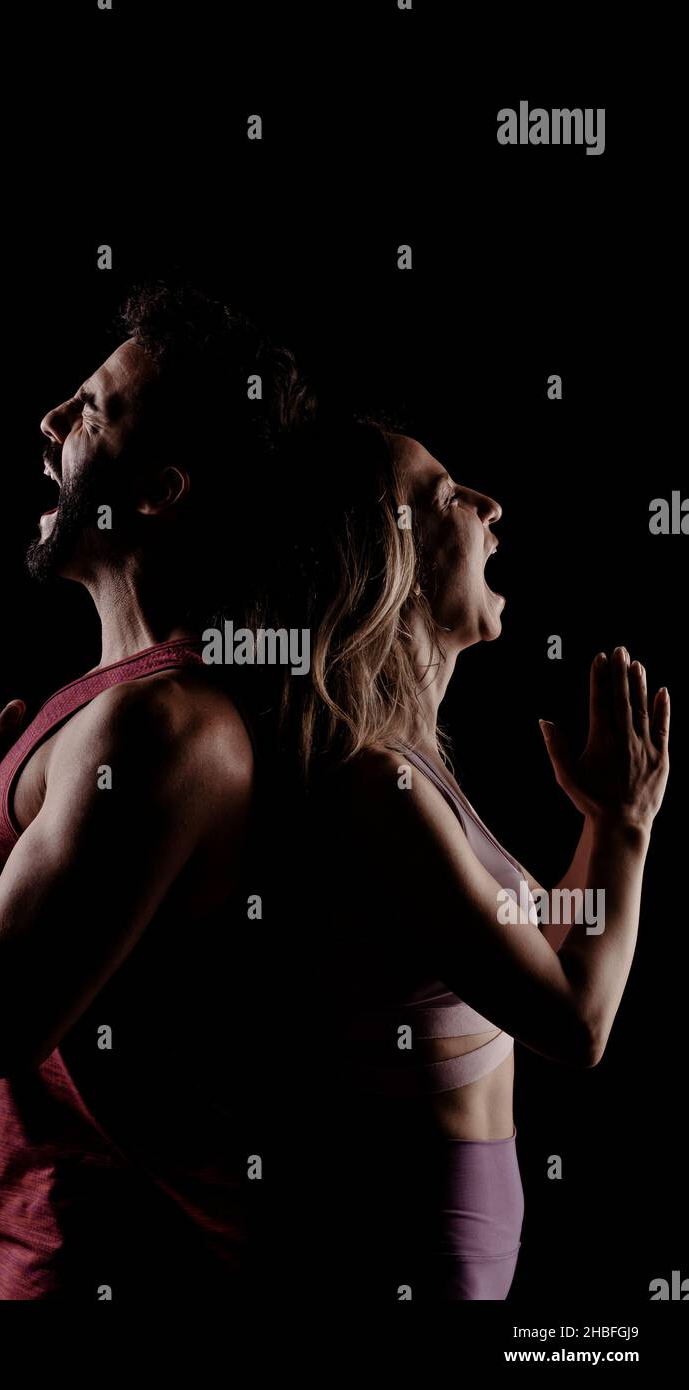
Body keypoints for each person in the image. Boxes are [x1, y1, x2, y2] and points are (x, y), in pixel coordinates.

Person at [0, 284, 308, 1303]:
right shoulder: (112, 703)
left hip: (113, 1271)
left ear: (158, 490)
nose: (50, 422)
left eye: (93, 409)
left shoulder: (161, 723)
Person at [272, 424, 670, 1303]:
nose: (489, 506)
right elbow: (575, 1022)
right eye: (448, 494)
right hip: (417, 1238)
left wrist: (604, 824)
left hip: (458, 1222)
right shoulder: (377, 786)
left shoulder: (408, 764)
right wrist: (624, 828)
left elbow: (537, 951)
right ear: (389, 554)